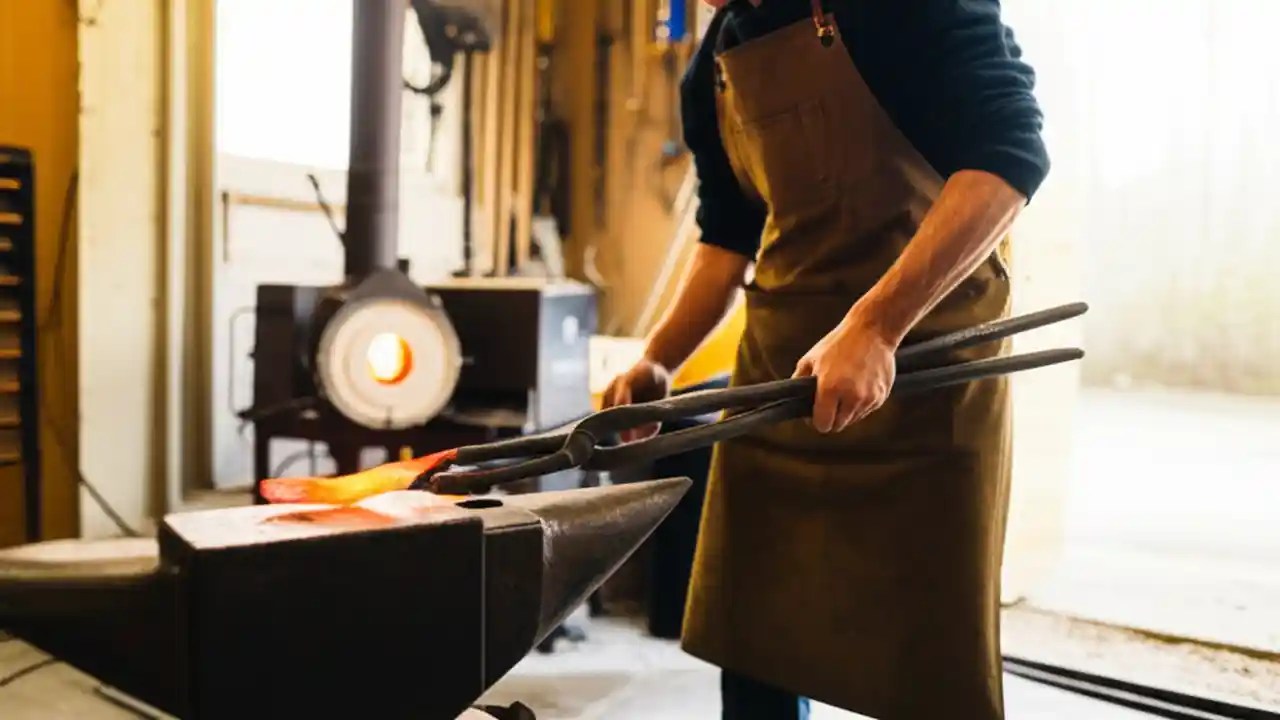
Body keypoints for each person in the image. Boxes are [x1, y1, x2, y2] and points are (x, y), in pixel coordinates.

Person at [601, 0, 1049, 718]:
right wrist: (659, 359)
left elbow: (1009, 158)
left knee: (928, 662)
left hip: (922, 376)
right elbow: (727, 239)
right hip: (778, 387)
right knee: (753, 642)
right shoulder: (716, 59)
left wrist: (875, 326)